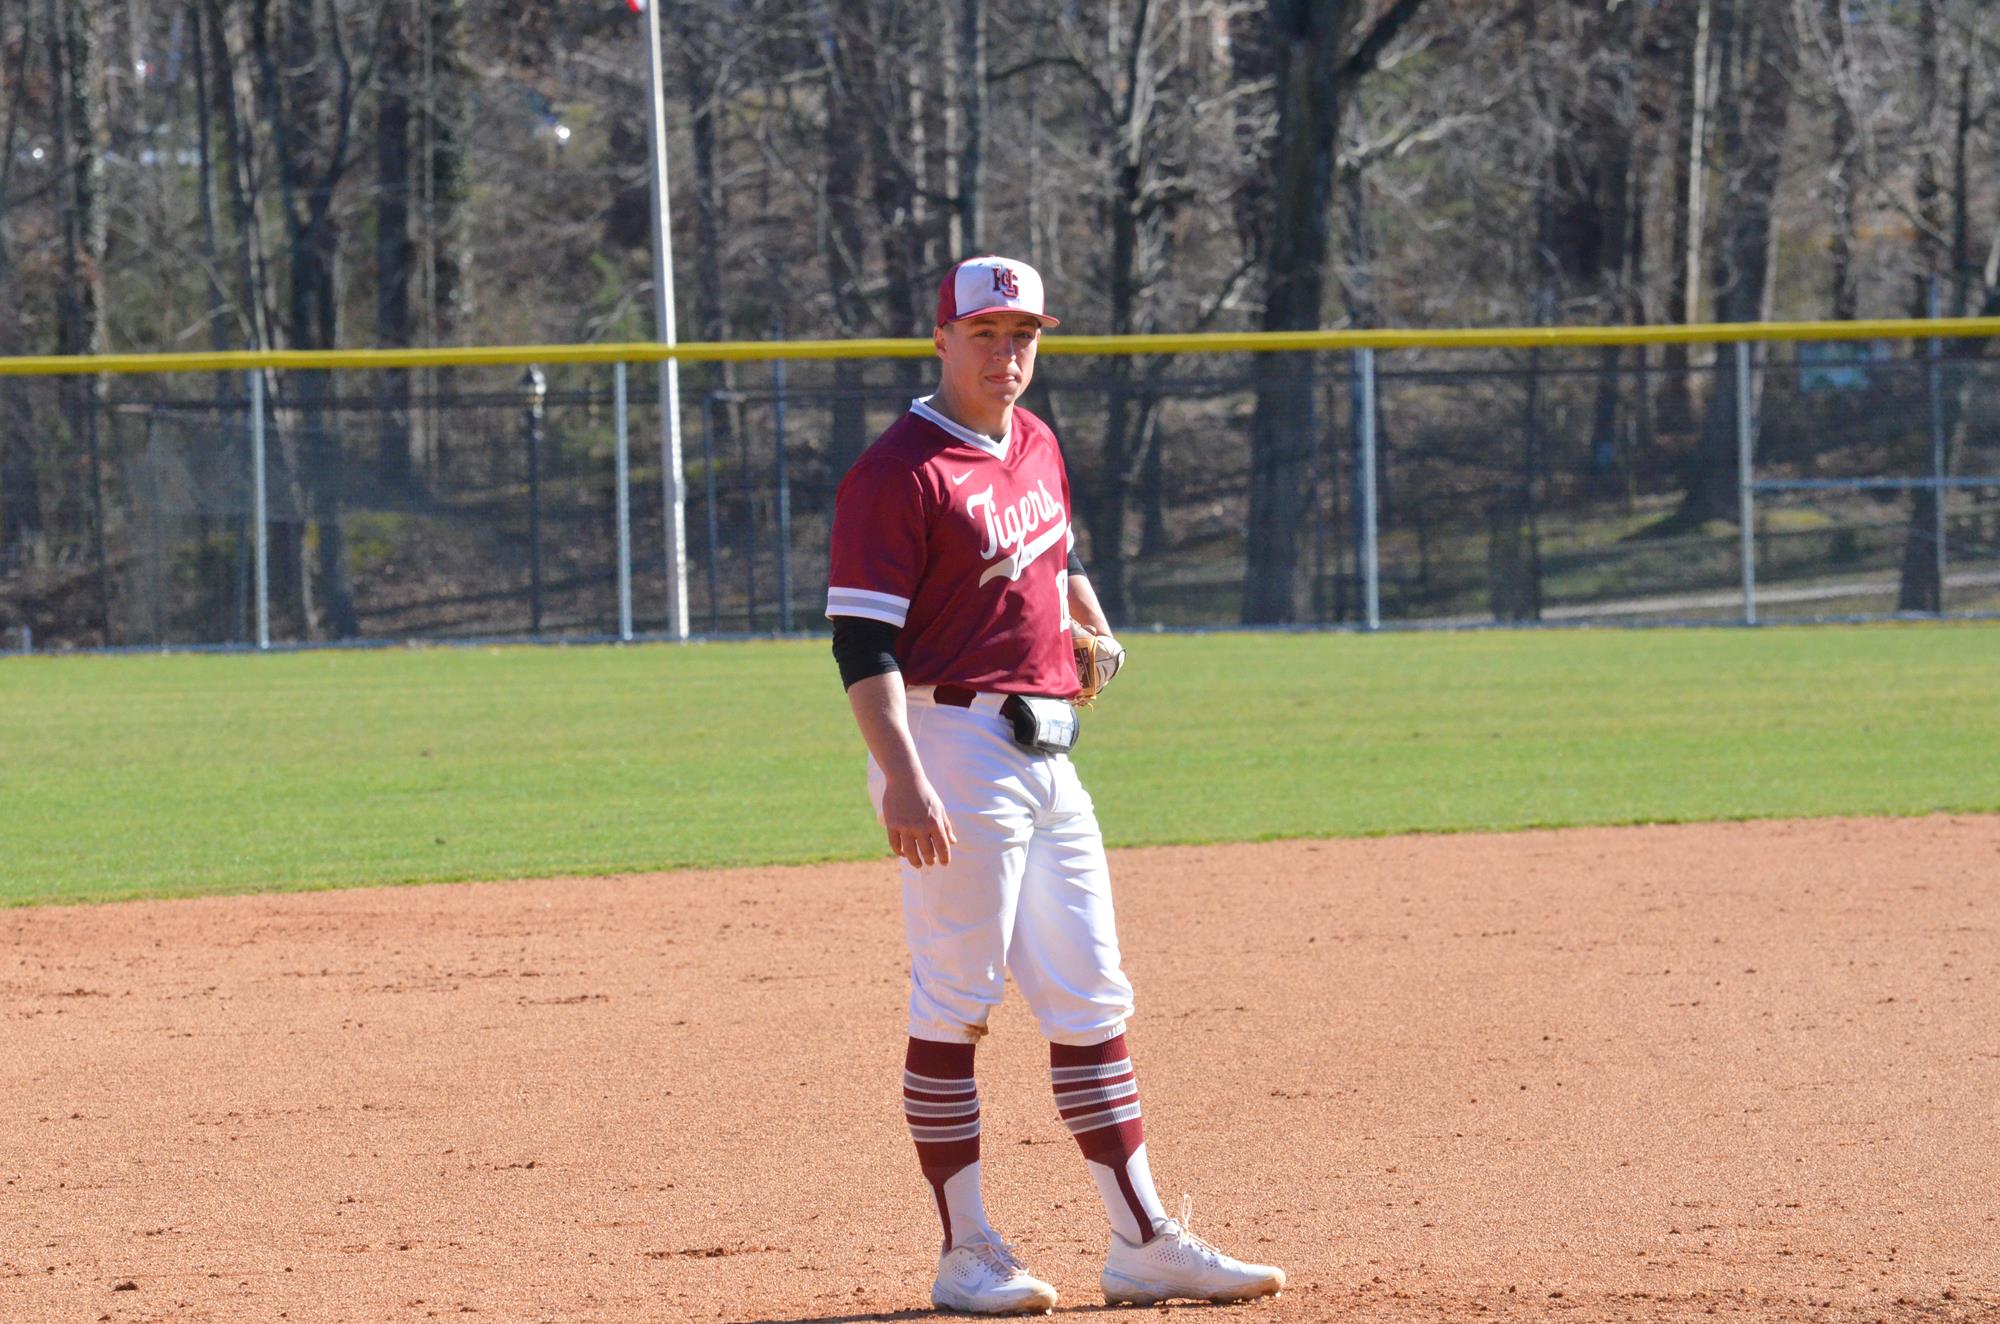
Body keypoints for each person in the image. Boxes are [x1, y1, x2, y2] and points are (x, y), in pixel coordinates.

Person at [825, 255, 1286, 1314]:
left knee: (1088, 992)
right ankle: (966, 1250)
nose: (1006, 353)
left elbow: (1055, 556)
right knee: (956, 997)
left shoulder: (1034, 442)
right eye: (984, 333)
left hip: (1047, 749)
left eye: (1023, 333)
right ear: (938, 339)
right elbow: (859, 643)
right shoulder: (896, 473)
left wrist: (1088, 618)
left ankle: (1140, 1241)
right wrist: (899, 775)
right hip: (946, 741)